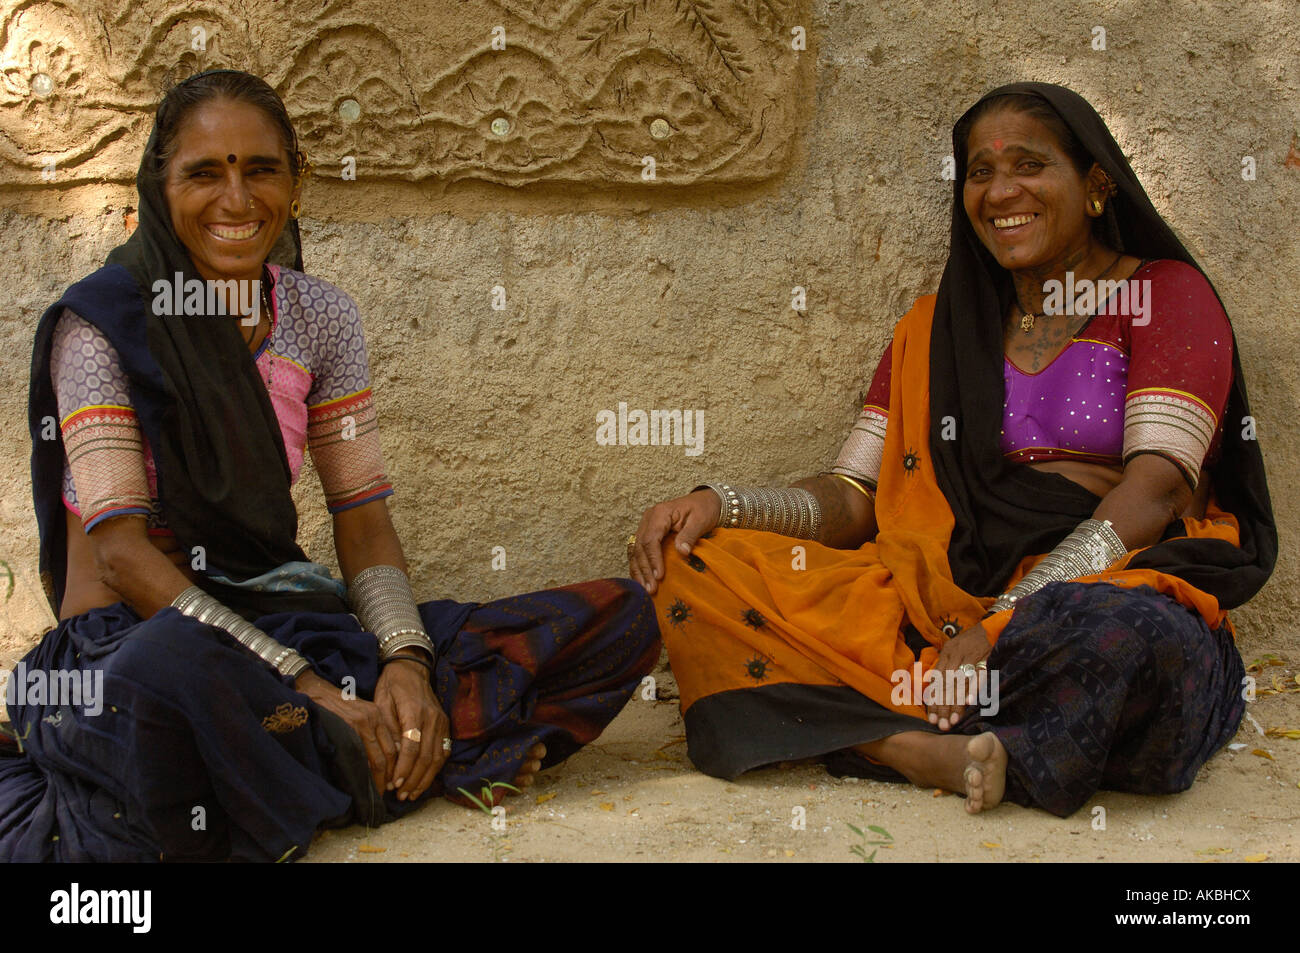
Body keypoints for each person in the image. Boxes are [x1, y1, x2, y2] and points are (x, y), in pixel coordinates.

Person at [1, 69, 659, 861]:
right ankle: (366, 754)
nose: (236, 200)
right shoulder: (102, 323)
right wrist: (306, 689)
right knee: (167, 681)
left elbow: (363, 516)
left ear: (296, 182)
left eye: (261, 169)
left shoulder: (320, 317)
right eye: (205, 173)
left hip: (284, 623)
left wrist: (405, 662)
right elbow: (120, 553)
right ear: (158, 187)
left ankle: (330, 758)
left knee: (618, 616)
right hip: (142, 641)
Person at [629, 81, 1275, 817]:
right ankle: (914, 747)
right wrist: (723, 503)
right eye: (980, 172)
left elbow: (1157, 491)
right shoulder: (934, 329)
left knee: (1122, 642)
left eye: (1029, 165)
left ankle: (873, 726)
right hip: (932, 599)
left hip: (1093, 591)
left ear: (1096, 184)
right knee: (694, 560)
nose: (1002, 191)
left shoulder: (1161, 296)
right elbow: (853, 497)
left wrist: (999, 623)